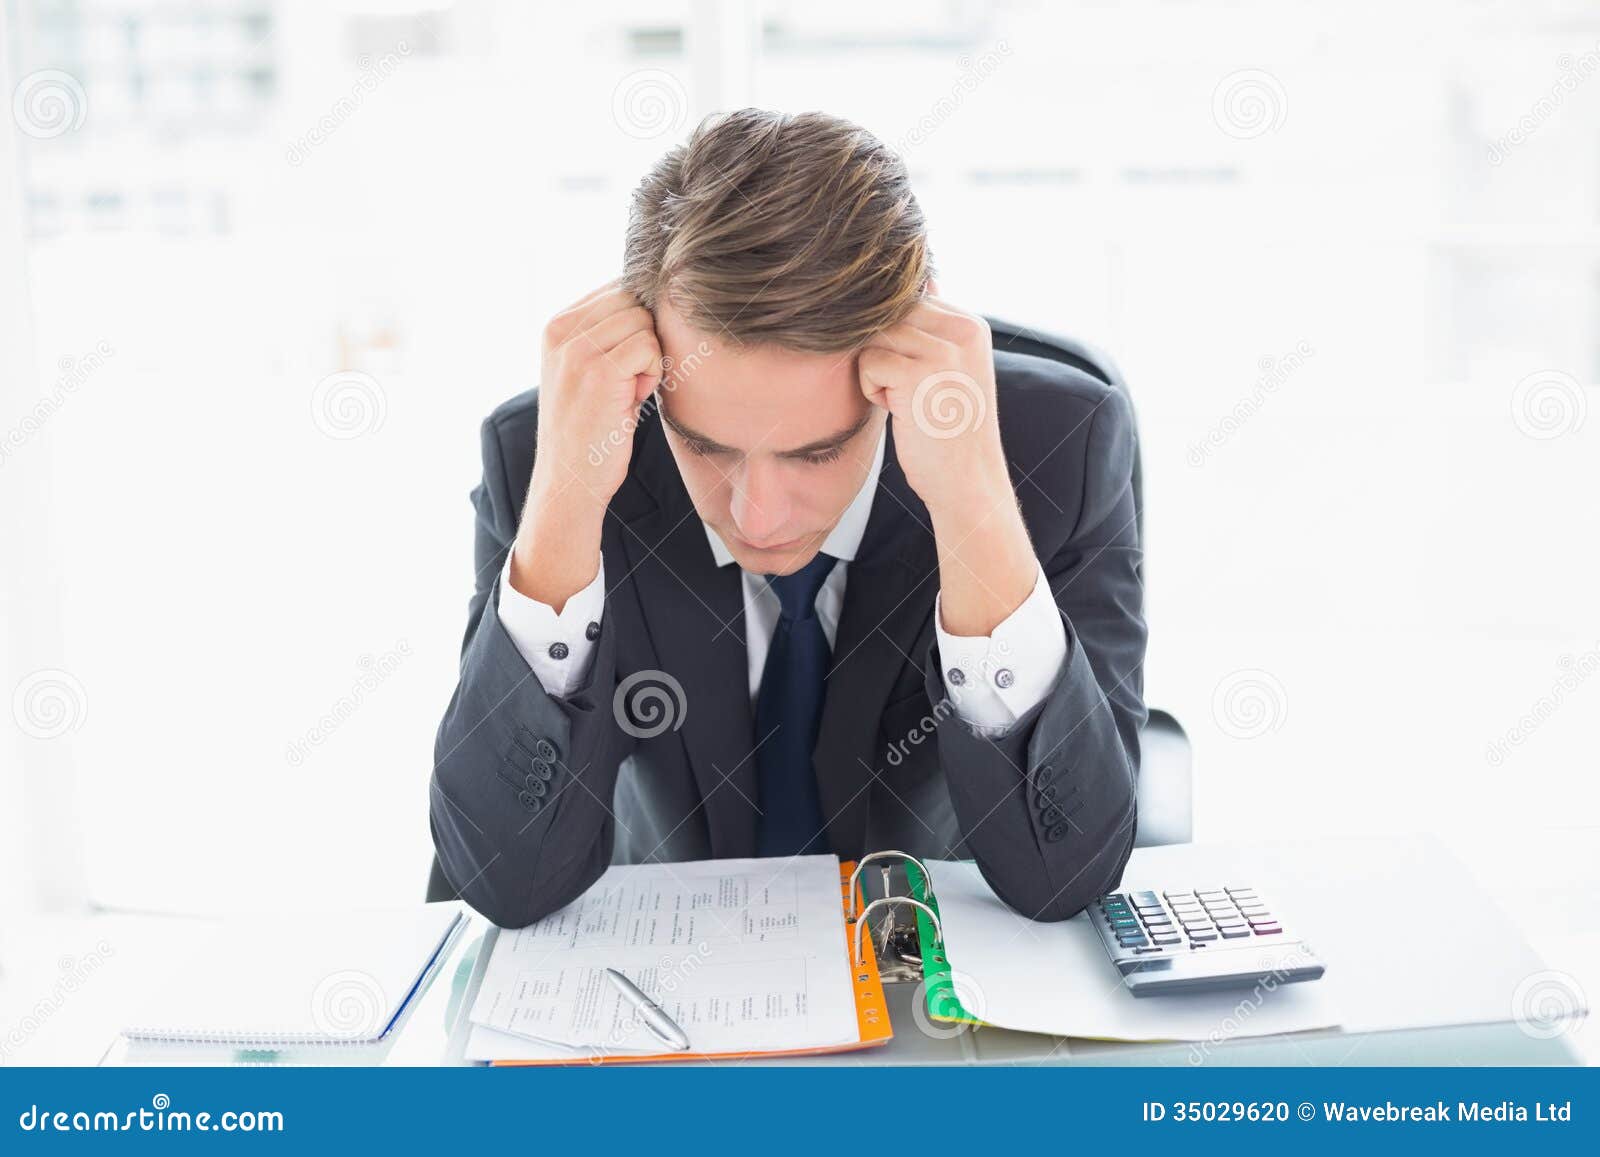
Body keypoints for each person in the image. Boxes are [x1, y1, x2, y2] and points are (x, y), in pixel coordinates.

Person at [429, 109, 1146, 928]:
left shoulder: (1057, 447)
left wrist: (971, 501)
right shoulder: (555, 453)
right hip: (660, 992)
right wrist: (563, 502)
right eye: (705, 447)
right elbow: (502, 882)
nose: (757, 516)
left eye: (815, 453)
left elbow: (1070, 874)